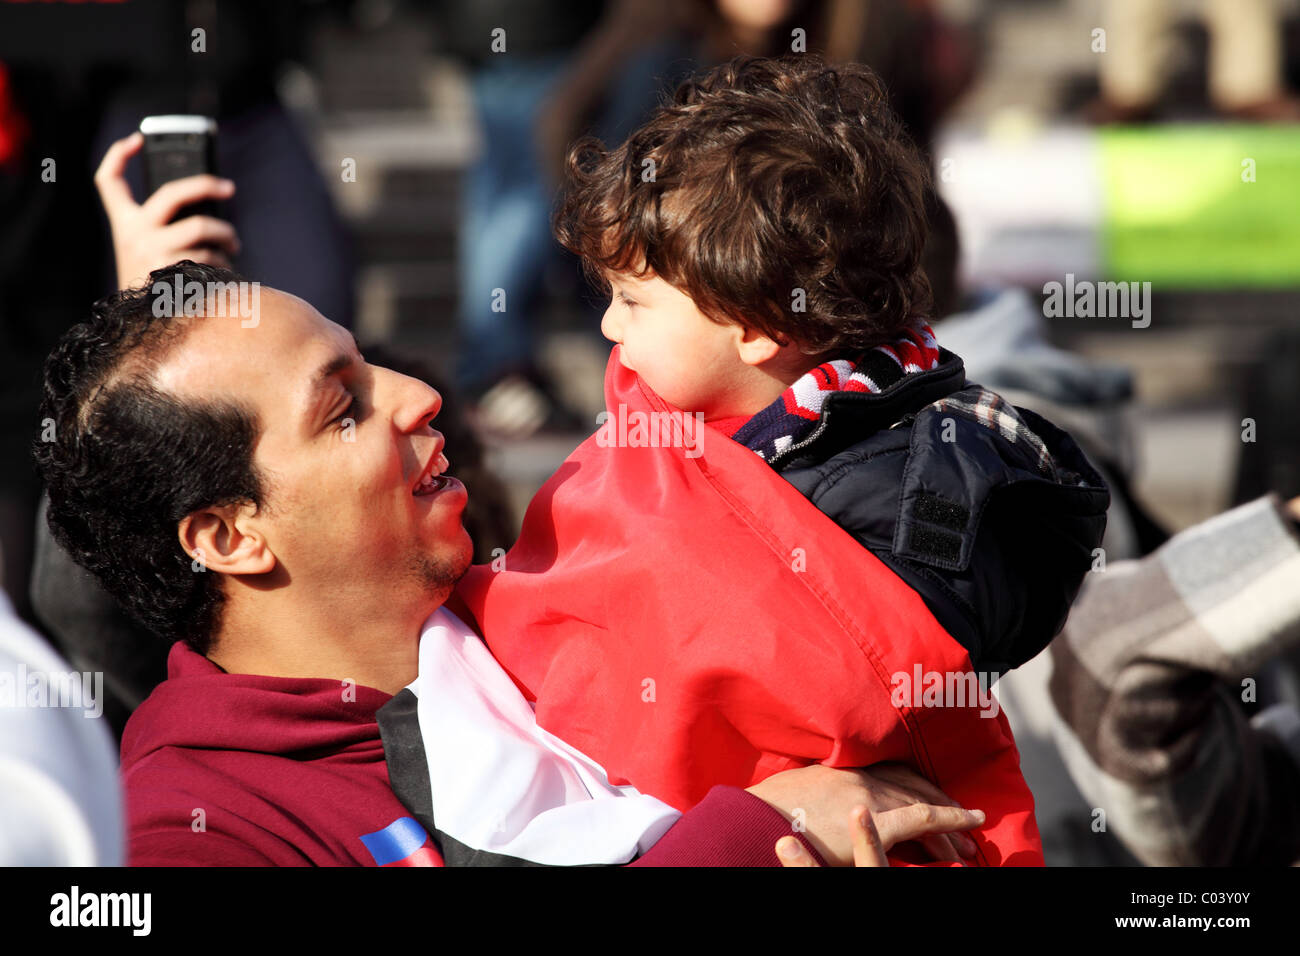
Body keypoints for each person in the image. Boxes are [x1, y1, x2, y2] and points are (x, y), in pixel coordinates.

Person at [32, 251, 982, 866]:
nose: (417, 395)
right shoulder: (194, 830)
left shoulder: (564, 601)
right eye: (345, 409)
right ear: (229, 536)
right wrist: (754, 834)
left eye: (370, 367)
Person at [411, 55, 1111, 867]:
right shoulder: (685, 414)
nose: (609, 330)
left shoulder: (928, 479)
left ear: (753, 327)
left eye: (633, 301)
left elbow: (853, 668)